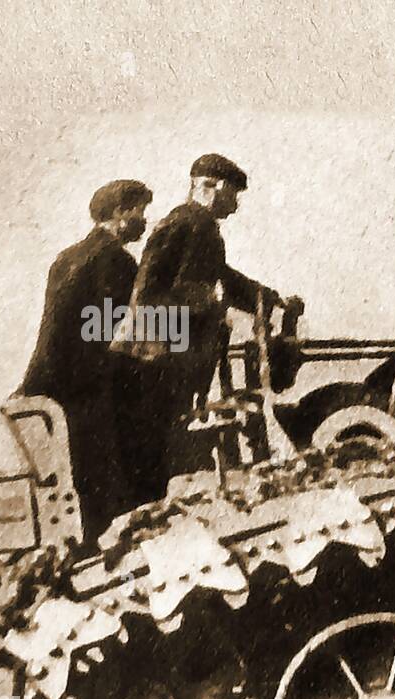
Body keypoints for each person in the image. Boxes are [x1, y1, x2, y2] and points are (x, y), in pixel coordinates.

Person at [114, 153, 283, 506]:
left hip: (156, 353)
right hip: (160, 357)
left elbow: (222, 277)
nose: (235, 204)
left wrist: (267, 299)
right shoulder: (196, 223)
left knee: (163, 445)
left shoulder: (188, 222)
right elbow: (174, 293)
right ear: (217, 187)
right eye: (234, 194)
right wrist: (225, 314)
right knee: (167, 446)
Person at [18, 179, 152, 539]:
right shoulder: (115, 260)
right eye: (140, 211)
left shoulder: (66, 257)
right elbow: (115, 331)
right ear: (121, 213)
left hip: (52, 385)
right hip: (91, 388)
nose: (144, 220)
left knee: (78, 479)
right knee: (108, 480)